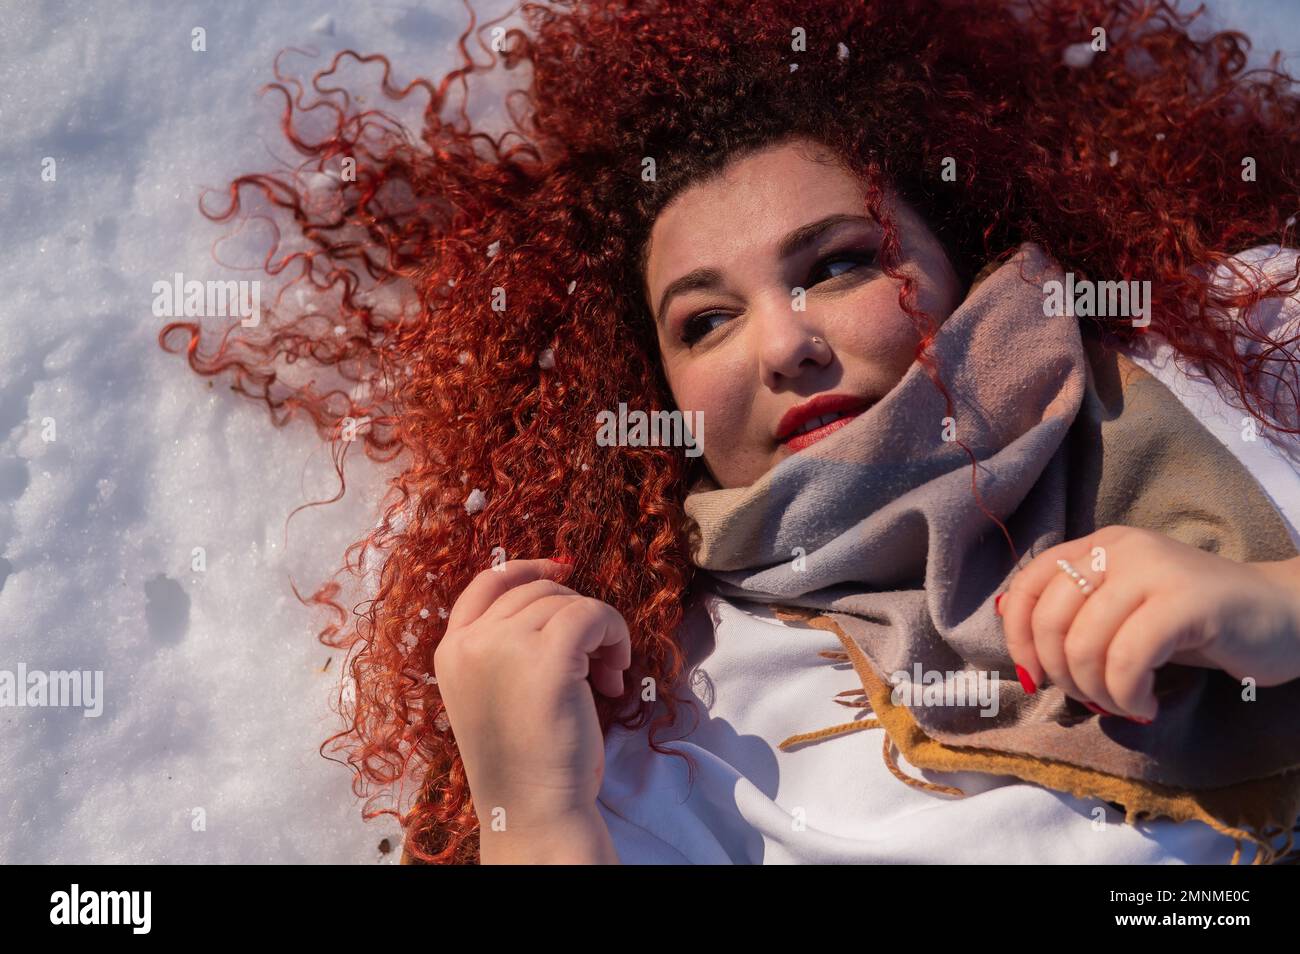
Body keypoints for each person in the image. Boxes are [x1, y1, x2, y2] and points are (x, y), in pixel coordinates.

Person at [159, 0, 1300, 864]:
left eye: (841, 263)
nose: (780, 346)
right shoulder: (656, 718)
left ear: (966, 252)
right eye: (704, 320)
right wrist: (531, 811)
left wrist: (1277, 609)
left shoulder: (1242, 352)